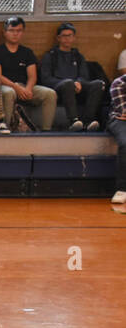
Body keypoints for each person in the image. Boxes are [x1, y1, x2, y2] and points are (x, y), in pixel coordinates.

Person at [0, 16, 56, 132]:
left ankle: (46, 131)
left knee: (50, 93)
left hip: (24, 87)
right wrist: (16, 87)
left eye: (19, 31)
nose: (15, 34)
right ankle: (4, 128)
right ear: (4, 32)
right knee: (9, 92)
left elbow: (32, 76)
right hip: (6, 87)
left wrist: (28, 89)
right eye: (12, 31)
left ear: (23, 33)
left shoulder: (27, 52)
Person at [39, 23, 104, 132]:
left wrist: (78, 82)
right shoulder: (50, 56)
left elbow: (84, 76)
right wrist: (69, 82)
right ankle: (74, 121)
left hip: (77, 86)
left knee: (98, 83)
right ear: (58, 38)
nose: (67, 39)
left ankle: (88, 121)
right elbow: (46, 79)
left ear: (74, 37)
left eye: (70, 35)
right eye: (64, 36)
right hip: (58, 87)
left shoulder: (78, 56)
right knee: (68, 83)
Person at [108, 73, 126, 206]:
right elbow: (123, 111)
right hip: (119, 120)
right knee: (125, 143)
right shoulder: (119, 83)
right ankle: (122, 189)